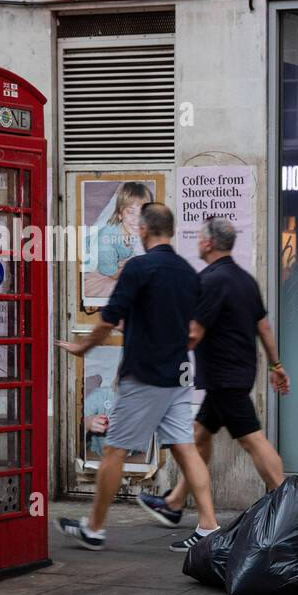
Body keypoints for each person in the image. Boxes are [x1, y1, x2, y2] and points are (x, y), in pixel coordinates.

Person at [56, 203, 220, 553]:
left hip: (145, 376)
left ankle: (95, 528)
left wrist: (83, 348)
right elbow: (195, 330)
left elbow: (108, 319)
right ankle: (209, 527)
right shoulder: (188, 272)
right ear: (171, 231)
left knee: (114, 451)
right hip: (179, 373)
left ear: (144, 230)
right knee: (186, 448)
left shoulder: (139, 268)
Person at [138, 217, 290, 529]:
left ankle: (292, 509)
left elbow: (193, 333)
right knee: (198, 435)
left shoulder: (211, 280)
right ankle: (174, 503)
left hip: (224, 377)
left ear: (208, 243)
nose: (197, 242)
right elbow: (264, 326)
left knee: (253, 441)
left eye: (199, 238)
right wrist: (276, 365)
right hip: (235, 373)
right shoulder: (245, 280)